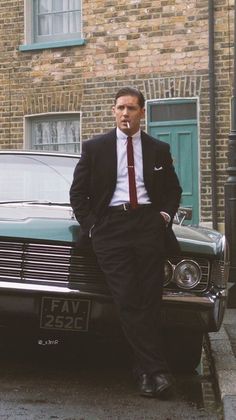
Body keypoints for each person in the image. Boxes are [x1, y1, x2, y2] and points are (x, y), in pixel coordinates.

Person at [70, 86, 182, 398]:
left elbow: (173, 190)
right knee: (127, 298)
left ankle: (144, 372)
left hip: (147, 225)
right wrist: (93, 227)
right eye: (120, 108)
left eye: (131, 109)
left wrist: (162, 216)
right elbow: (77, 194)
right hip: (111, 229)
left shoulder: (158, 148)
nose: (125, 114)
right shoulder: (95, 148)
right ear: (113, 111)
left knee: (149, 300)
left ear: (141, 113)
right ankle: (157, 371)